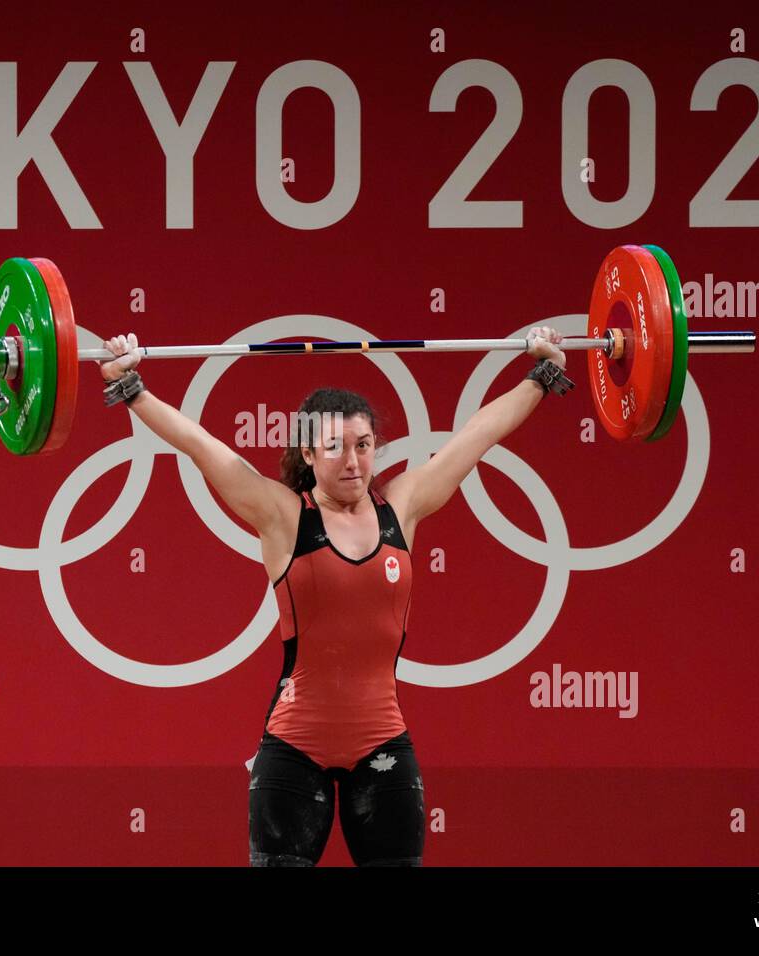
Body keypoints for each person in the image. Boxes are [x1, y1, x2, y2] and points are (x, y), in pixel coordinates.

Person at [98, 329, 571, 865]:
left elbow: (478, 436)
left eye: (364, 446)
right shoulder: (283, 516)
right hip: (295, 748)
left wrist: (541, 373)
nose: (353, 462)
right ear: (307, 450)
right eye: (335, 447)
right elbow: (204, 448)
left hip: (384, 744)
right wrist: (131, 387)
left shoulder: (402, 508)